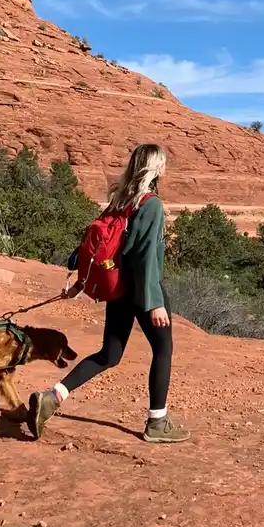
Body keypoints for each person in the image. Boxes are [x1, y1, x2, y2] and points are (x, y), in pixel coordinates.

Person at [27, 143, 189, 444]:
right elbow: (147, 257)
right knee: (163, 351)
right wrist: (154, 303)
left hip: (117, 291)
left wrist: (81, 283)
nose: (166, 168)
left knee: (109, 355)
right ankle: (157, 422)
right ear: (155, 168)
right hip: (142, 291)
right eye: (163, 163)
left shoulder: (120, 200)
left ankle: (52, 396)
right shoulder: (150, 204)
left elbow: (93, 249)